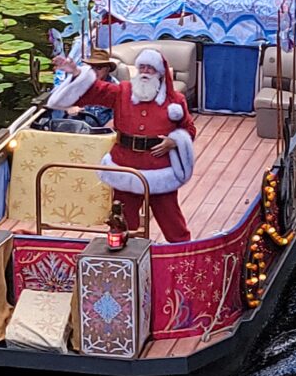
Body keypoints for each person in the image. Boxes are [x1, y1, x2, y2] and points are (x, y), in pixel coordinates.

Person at [48, 48, 196, 243]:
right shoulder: (123, 92)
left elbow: (189, 130)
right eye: (141, 67)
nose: (145, 72)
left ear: (159, 74)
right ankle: (124, 256)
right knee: (122, 219)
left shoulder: (175, 101)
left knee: (171, 218)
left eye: (150, 69)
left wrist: (174, 141)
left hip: (159, 168)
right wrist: (76, 73)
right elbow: (95, 91)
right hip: (125, 166)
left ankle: (183, 254)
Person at [55, 49, 118, 128]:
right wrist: (69, 107)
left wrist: (101, 133)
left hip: (100, 131)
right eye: (91, 67)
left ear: (108, 69)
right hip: (74, 128)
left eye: (99, 68)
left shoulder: (115, 89)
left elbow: (117, 119)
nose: (94, 71)